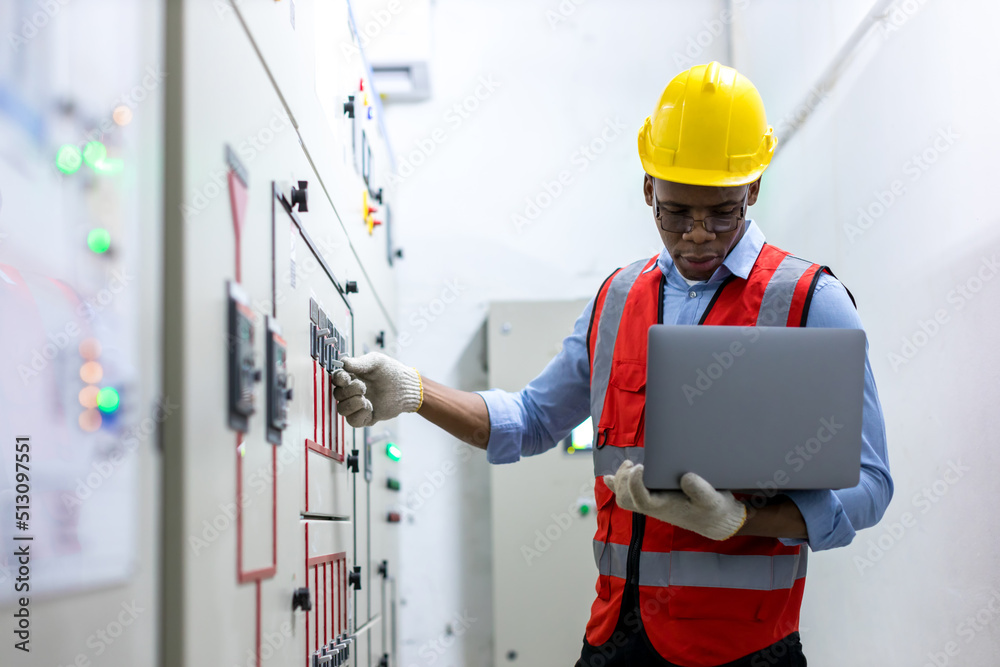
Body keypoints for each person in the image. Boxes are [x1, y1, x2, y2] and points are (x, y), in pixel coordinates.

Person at [331, 62, 892, 667]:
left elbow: (871, 485)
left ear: (753, 189)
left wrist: (742, 520)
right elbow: (528, 420)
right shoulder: (618, 298)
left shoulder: (810, 300)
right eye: (677, 213)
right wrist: (414, 391)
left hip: (746, 651)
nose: (698, 236)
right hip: (615, 641)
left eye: (722, 213)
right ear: (648, 186)